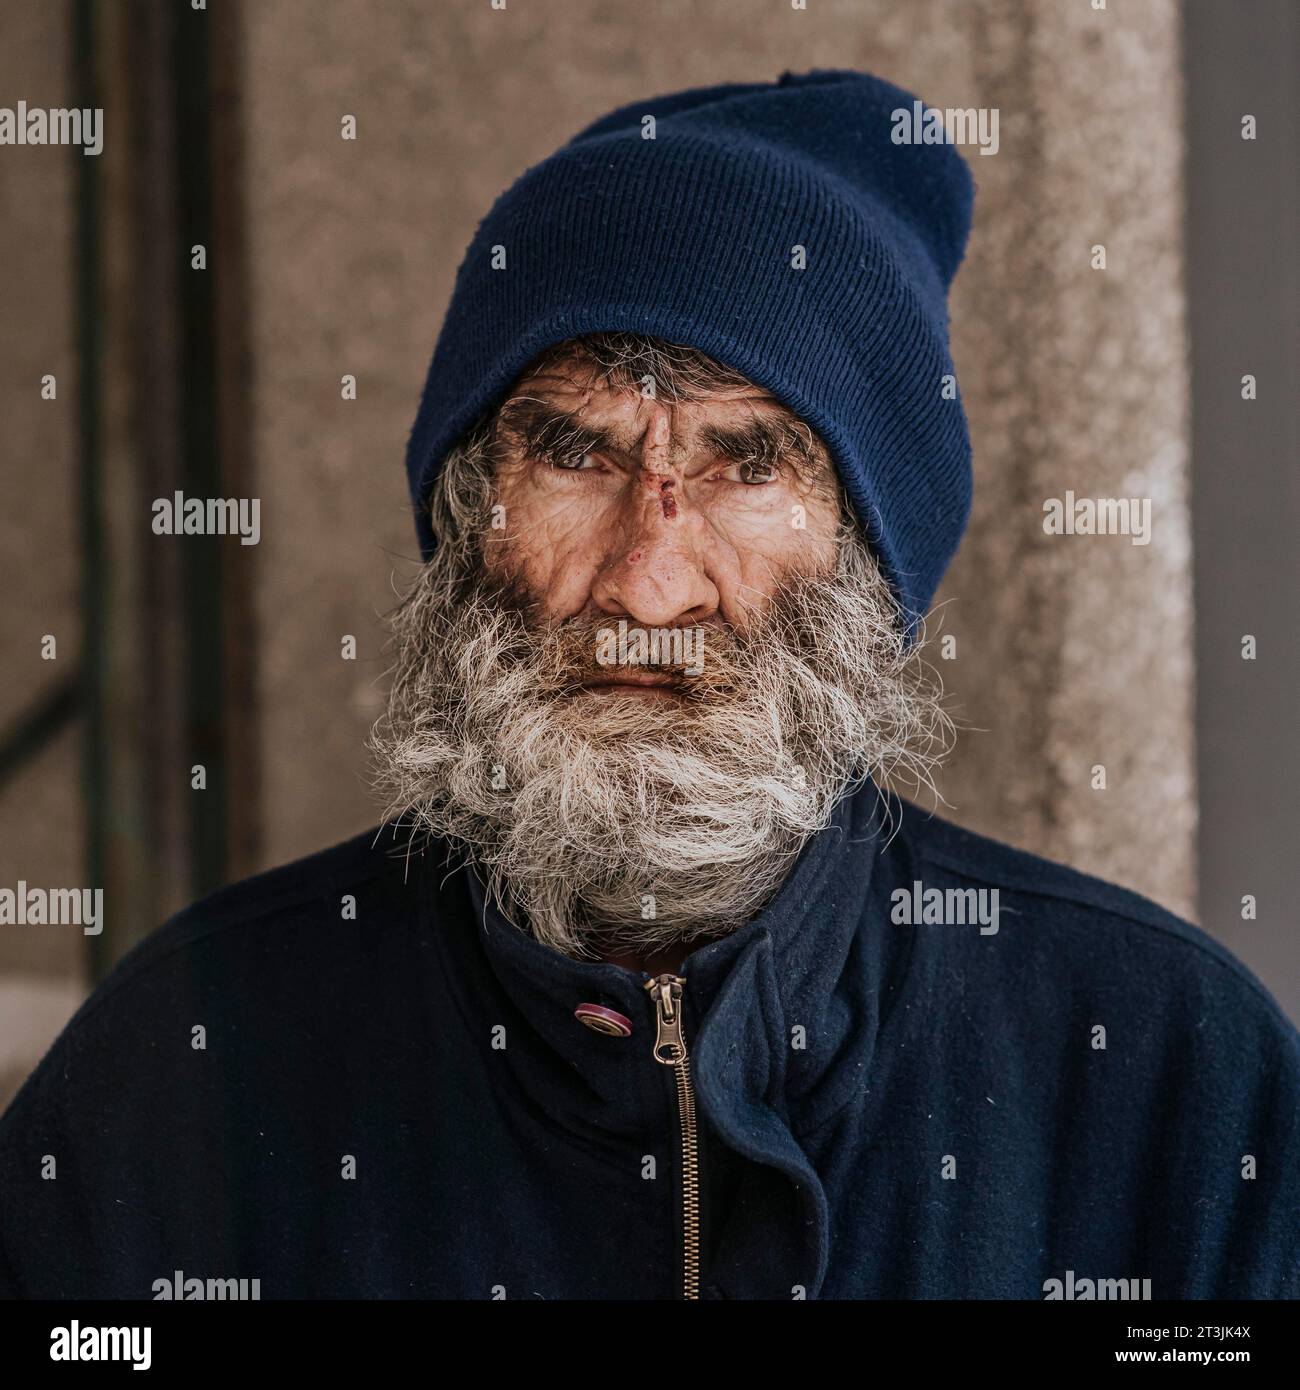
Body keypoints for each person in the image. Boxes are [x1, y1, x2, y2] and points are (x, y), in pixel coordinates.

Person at [1, 69, 1296, 1301]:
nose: (649, 581)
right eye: (574, 451)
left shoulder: (1164, 1075)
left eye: (746, 466)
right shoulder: (182, 1068)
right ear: (465, 523)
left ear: (867, 568)